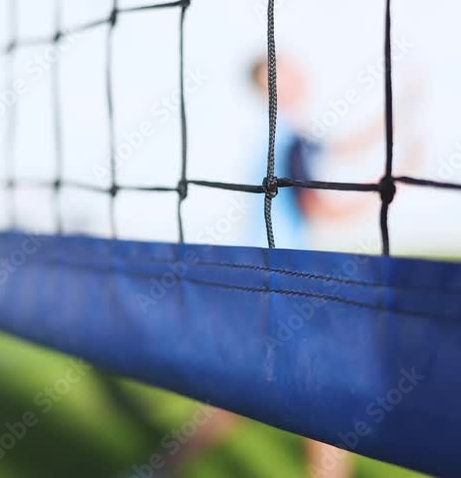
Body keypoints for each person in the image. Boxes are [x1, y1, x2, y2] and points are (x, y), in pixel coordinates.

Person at [167, 56, 422, 478]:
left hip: (266, 280)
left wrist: (403, 108)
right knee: (322, 400)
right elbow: (320, 211)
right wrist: (389, 192)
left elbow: (348, 146)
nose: (303, 72)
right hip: (282, 283)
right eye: (287, 68)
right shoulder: (284, 141)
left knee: (243, 395)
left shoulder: (281, 134)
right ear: (270, 84)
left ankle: (155, 471)